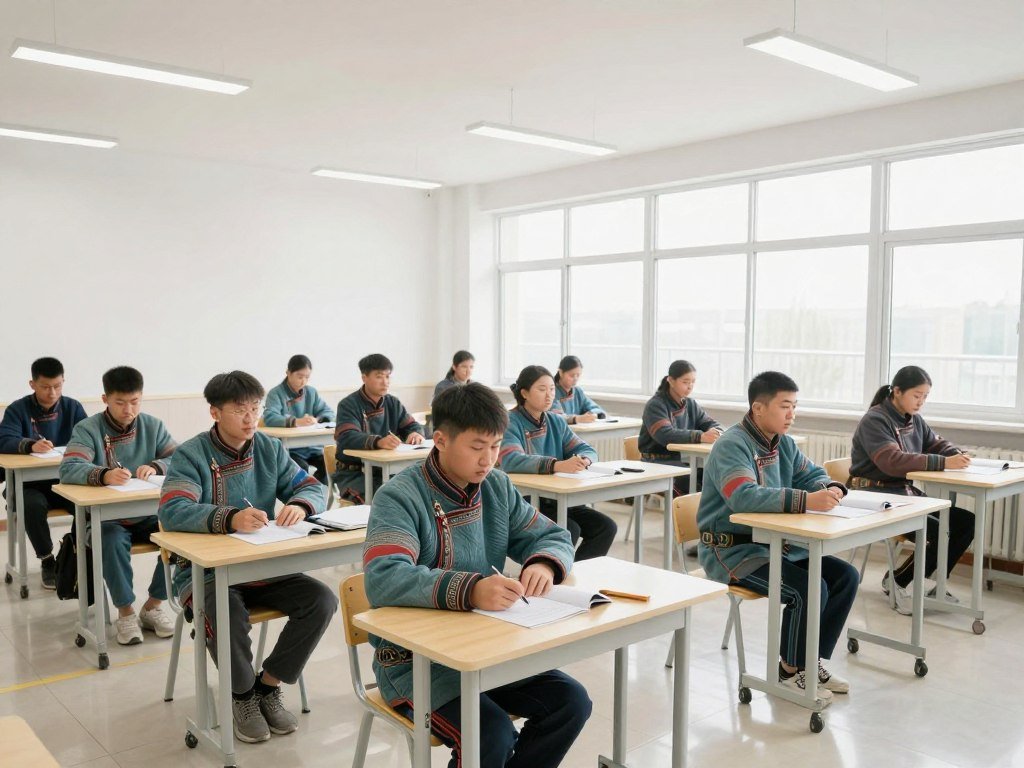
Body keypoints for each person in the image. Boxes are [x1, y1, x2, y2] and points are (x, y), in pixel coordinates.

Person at [364, 382, 591, 768]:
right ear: (440, 439)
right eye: (476, 447)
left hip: (486, 649)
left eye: (496, 445)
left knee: (571, 702)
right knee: (492, 734)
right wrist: (471, 590)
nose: (489, 459)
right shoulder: (400, 496)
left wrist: (543, 563)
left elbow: (553, 535)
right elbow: (384, 576)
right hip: (416, 661)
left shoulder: (496, 487)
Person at [158, 370, 336, 744]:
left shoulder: (268, 447)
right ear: (214, 412)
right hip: (204, 572)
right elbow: (173, 509)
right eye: (240, 410)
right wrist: (229, 518)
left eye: (255, 408)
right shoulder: (192, 454)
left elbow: (311, 486)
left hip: (264, 566)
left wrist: (301, 505)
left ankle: (268, 685)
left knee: (322, 600)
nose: (250, 418)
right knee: (225, 610)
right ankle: (241, 696)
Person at [698, 371, 855, 699]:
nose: (792, 414)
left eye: (794, 406)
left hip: (776, 545)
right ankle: (789, 671)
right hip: (734, 553)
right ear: (758, 408)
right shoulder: (732, 445)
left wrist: (829, 487)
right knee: (807, 590)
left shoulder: (782, 444)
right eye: (785, 406)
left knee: (845, 577)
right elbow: (742, 496)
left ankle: (810, 662)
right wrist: (806, 501)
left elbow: (810, 473)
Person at [60, 366, 177, 645]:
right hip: (107, 520)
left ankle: (153, 606)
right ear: (105, 400)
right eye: (120, 403)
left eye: (134, 401)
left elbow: (180, 459)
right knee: (109, 539)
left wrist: (156, 464)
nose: (128, 410)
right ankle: (125, 612)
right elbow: (69, 468)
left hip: (148, 514)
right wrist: (103, 475)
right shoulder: (88, 429)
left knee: (179, 535)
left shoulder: (152, 425)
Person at [849, 365, 974, 615]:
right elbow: (892, 461)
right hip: (875, 497)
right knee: (938, 531)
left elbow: (934, 442)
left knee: (967, 522)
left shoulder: (913, 418)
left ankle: (923, 584)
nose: (921, 402)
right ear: (897, 391)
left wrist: (954, 453)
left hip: (901, 494)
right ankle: (898, 581)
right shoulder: (876, 419)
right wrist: (943, 463)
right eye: (917, 395)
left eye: (925, 396)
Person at [499, 365, 617, 560]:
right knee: (569, 529)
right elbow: (511, 460)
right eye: (542, 389)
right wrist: (556, 465)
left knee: (606, 527)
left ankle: (574, 576)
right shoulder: (510, 422)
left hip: (559, 497)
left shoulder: (556, 421)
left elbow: (588, 450)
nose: (549, 395)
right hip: (529, 499)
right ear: (524, 393)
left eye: (552, 389)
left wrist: (583, 460)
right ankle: (555, 578)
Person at [0, 357, 87, 589]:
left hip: (64, 481)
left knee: (88, 506)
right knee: (31, 505)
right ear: (32, 384)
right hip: (28, 486)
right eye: (45, 387)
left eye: (57, 386)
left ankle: (71, 555)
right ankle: (47, 559)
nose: (52, 392)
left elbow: (89, 440)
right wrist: (29, 445)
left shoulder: (73, 407)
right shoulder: (18, 409)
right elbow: (4, 439)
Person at [333, 354, 424, 503]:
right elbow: (347, 437)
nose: (385, 382)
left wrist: (415, 433)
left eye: (388, 377)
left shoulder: (392, 403)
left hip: (388, 472)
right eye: (379, 376)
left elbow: (412, 425)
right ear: (364, 377)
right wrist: (378, 442)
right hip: (355, 474)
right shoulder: (348, 404)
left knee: (414, 496)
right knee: (384, 501)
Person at [639, 359, 722, 496]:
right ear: (671, 380)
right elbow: (665, 435)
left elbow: (711, 423)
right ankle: (690, 516)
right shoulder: (656, 405)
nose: (690, 386)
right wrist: (700, 436)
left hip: (680, 461)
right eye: (685, 382)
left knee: (715, 477)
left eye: (693, 382)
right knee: (694, 485)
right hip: (655, 462)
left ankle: (705, 517)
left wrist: (716, 432)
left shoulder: (690, 404)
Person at [262, 354, 334, 483]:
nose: (303, 381)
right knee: (301, 469)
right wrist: (296, 422)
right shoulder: (276, 393)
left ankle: (316, 492)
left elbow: (328, 412)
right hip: (291, 449)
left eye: (307, 377)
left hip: (313, 447)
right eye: (300, 376)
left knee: (330, 466)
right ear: (288, 373)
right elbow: (270, 417)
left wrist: (317, 419)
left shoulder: (311, 392)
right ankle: (304, 494)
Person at [549, 355, 604, 424]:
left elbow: (597, 409)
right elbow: (556, 417)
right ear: (561, 373)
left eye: (578, 375)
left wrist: (591, 414)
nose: (575, 379)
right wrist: (576, 419)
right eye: (572, 375)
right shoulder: (551, 391)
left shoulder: (578, 391)